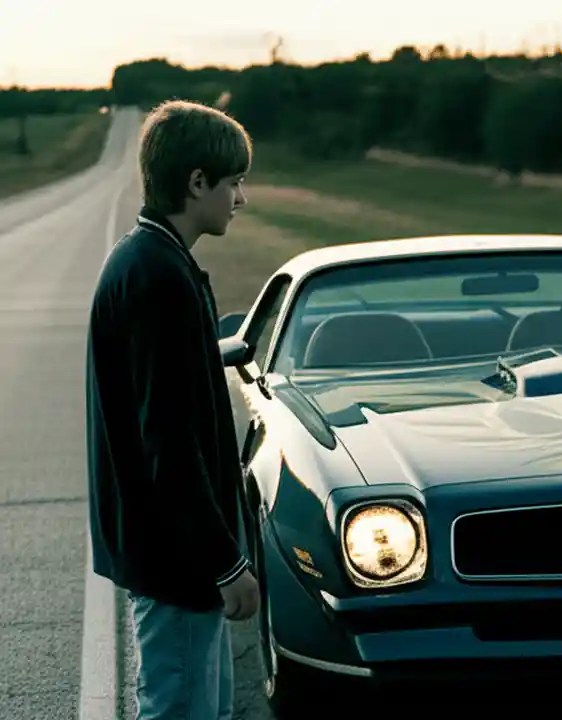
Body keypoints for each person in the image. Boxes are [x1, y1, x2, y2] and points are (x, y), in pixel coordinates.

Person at [86, 99, 256, 720]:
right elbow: (170, 443)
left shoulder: (151, 260)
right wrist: (226, 562)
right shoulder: (157, 277)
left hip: (168, 552)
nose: (241, 199)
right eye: (234, 182)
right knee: (182, 708)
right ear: (196, 182)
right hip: (177, 560)